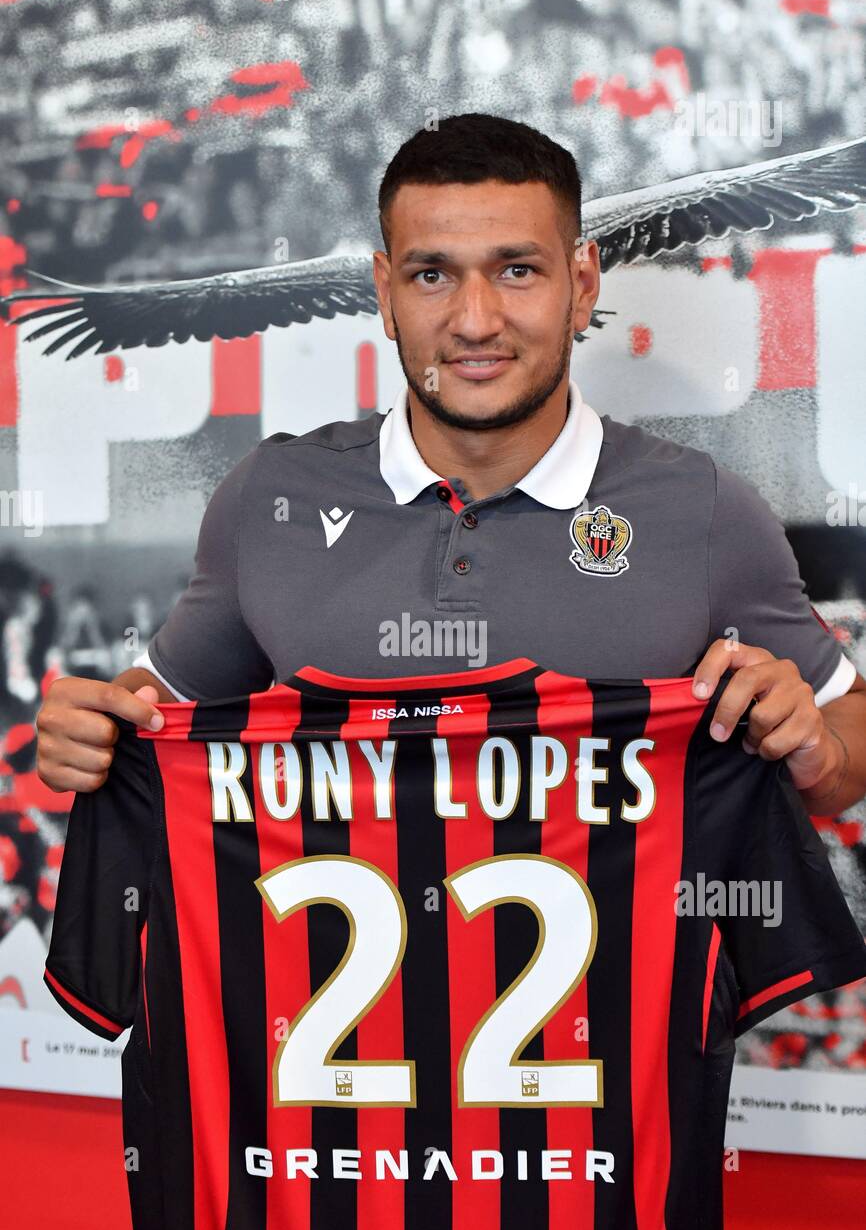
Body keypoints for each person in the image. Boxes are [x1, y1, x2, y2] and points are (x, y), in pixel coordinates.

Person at [35, 112, 866, 815]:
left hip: (620, 1009)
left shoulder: (707, 513)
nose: (476, 320)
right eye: (433, 274)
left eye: (517, 270)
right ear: (384, 292)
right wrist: (91, 735)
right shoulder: (271, 502)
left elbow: (846, 728)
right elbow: (146, 717)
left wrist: (821, 754)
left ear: (583, 284)